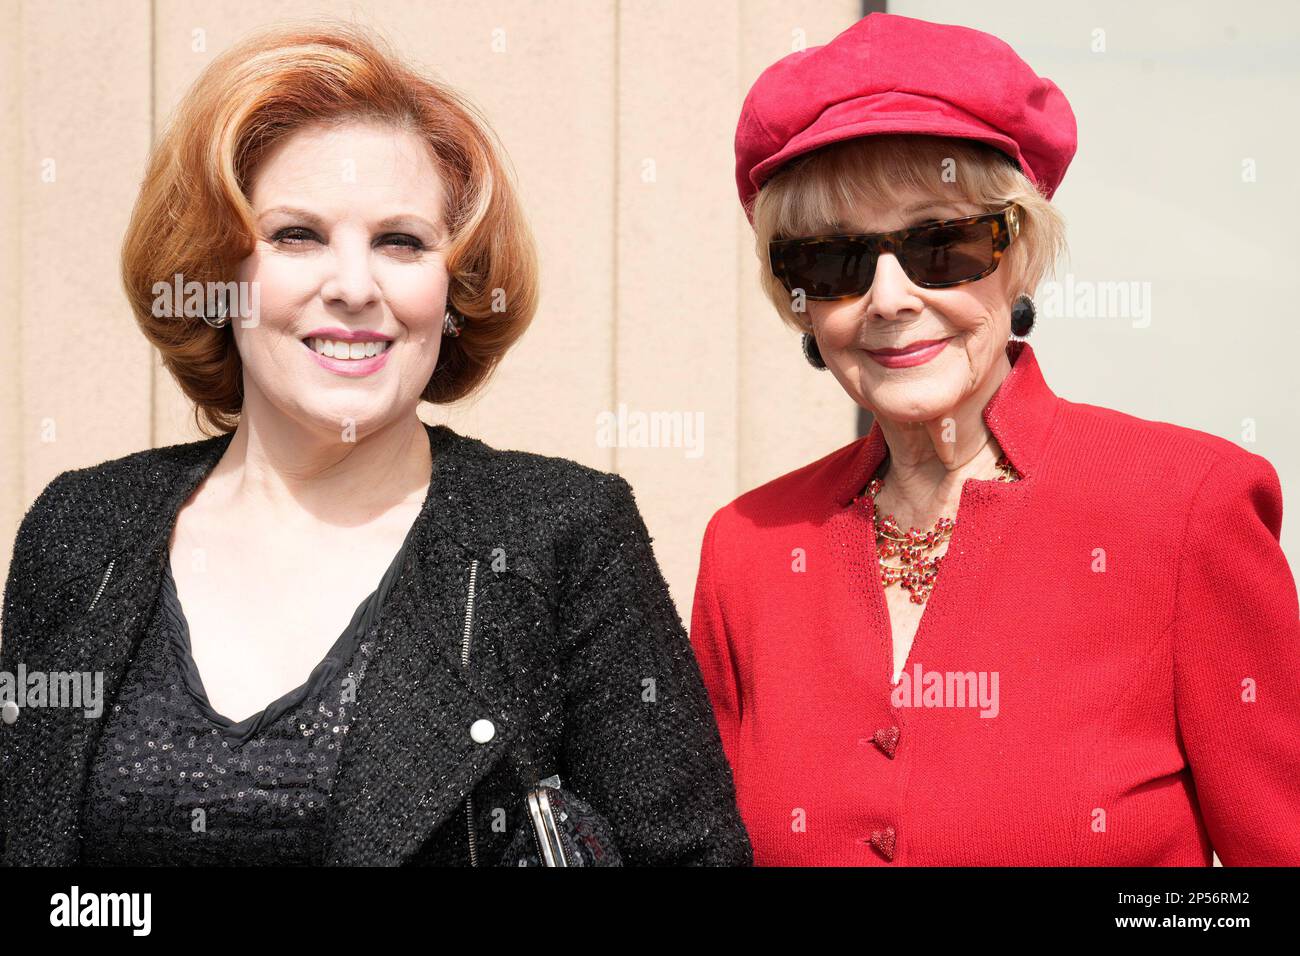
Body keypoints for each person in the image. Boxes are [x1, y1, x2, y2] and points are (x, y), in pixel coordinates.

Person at [0, 20, 751, 867]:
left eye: (401, 241)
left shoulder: (561, 536)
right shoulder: (79, 532)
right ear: (215, 273)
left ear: (454, 287)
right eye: (295, 235)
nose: (354, 287)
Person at [689, 11, 1300, 866]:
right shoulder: (747, 551)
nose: (891, 298)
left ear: (1019, 253)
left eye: (943, 246)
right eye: (832, 262)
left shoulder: (1187, 506)